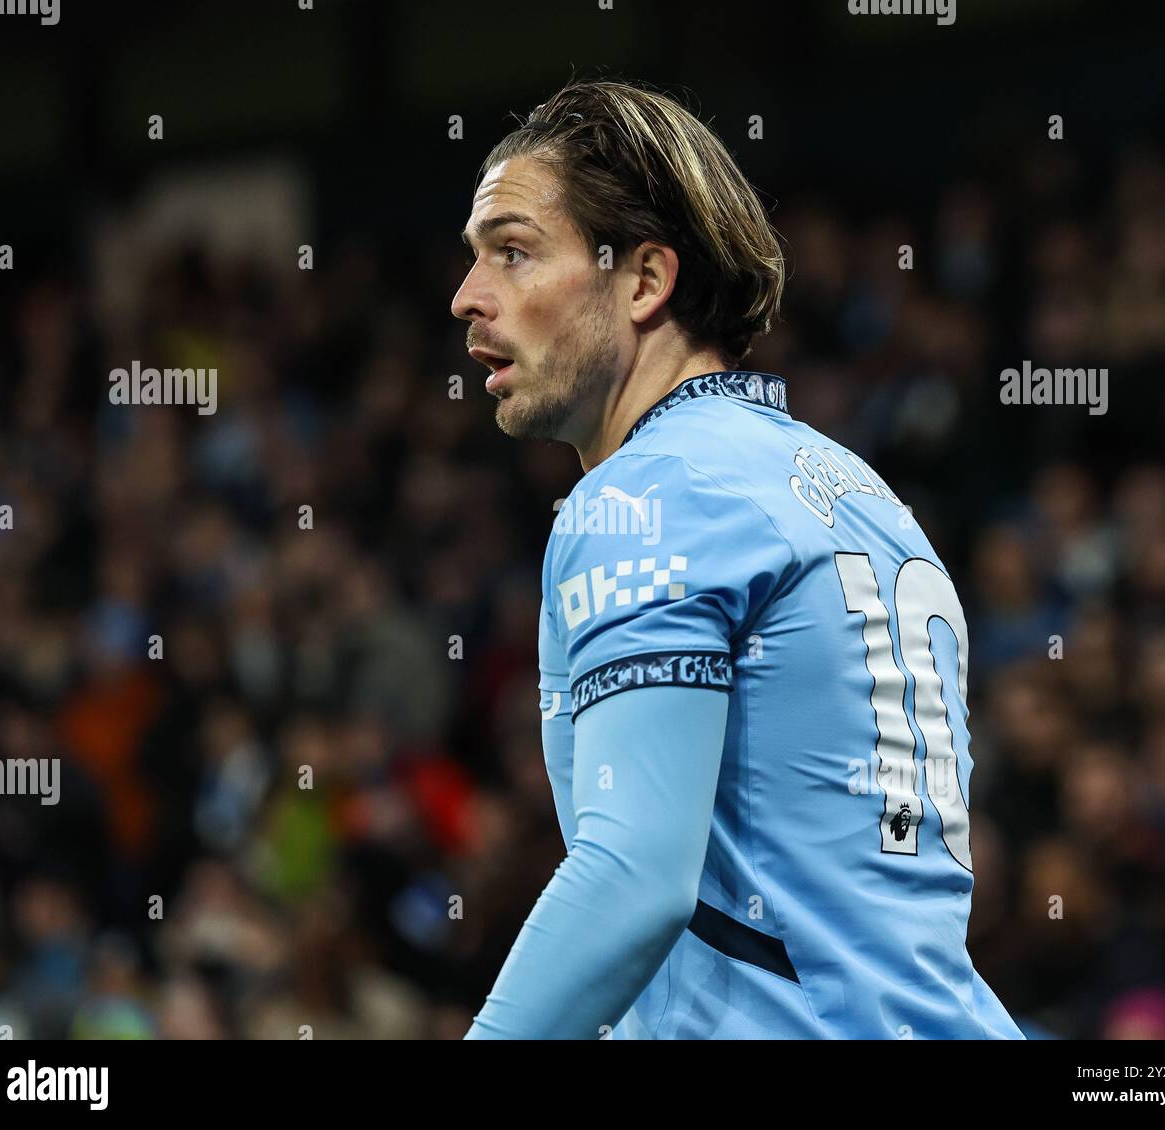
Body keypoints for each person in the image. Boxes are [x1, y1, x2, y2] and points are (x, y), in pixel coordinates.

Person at [451, 78, 1022, 1039]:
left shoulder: (647, 495)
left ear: (642, 280)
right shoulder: (859, 494)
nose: (468, 298)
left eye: (513, 252)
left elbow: (632, 881)